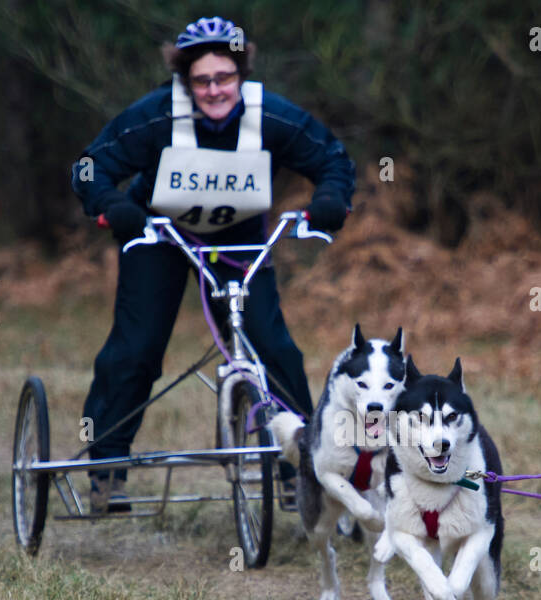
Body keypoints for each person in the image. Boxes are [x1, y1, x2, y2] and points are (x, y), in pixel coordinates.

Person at [71, 16, 355, 512]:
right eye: (202, 80)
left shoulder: (272, 115)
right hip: (159, 235)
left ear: (241, 73)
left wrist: (331, 197)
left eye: (224, 77)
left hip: (239, 242)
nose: (214, 89)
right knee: (137, 349)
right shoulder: (156, 115)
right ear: (185, 79)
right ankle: (107, 470)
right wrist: (111, 205)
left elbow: (333, 158)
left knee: (274, 349)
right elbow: (90, 166)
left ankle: (301, 467)